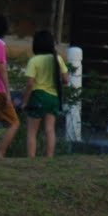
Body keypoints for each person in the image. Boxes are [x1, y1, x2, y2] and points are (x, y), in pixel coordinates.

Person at [21, 29, 69, 159]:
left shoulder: (34, 60)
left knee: (32, 131)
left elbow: (30, 84)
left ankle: (31, 159)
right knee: (50, 129)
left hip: (38, 96)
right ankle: (49, 158)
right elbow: (66, 80)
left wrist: (25, 101)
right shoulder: (57, 58)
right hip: (54, 98)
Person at [0, 14, 21, 158]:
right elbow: (2, 69)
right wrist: (8, 92)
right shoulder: (0, 44)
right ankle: (0, 152)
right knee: (14, 123)